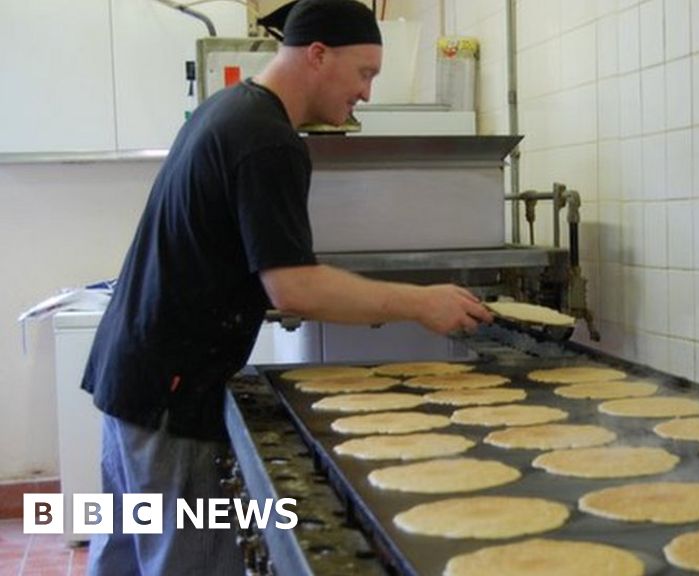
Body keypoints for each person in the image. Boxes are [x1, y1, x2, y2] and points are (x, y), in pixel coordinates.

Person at [82, 0, 492, 573]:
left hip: (132, 379)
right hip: (175, 398)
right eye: (364, 73)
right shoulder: (268, 140)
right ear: (318, 55)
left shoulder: (226, 109)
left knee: (125, 558)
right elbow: (293, 288)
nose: (367, 94)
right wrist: (421, 303)